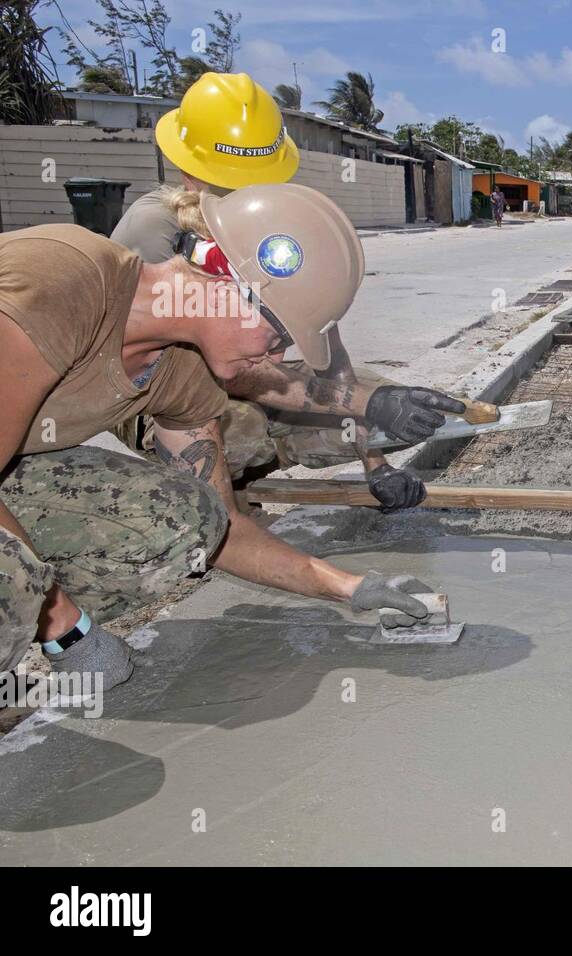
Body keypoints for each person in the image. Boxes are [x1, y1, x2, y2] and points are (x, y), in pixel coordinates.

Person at [0, 183, 463, 693]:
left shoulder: (181, 373)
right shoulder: (64, 276)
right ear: (227, 289)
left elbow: (223, 531)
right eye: (281, 337)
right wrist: (66, 629)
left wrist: (354, 588)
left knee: (187, 519)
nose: (278, 358)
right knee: (12, 578)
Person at [111, 72, 444, 513]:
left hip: (246, 376)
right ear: (187, 168)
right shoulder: (155, 229)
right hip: (157, 393)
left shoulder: (275, 222)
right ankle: (214, 504)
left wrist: (376, 463)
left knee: (397, 405)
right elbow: (214, 373)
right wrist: (354, 404)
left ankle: (259, 465)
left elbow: (329, 347)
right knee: (243, 425)